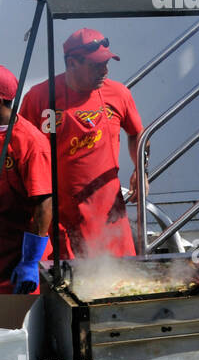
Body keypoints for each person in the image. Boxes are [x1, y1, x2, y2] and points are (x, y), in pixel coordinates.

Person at [19, 29, 143, 258]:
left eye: (106, 63)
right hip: (62, 211)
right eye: (96, 65)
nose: (104, 71)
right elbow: (21, 148)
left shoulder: (119, 93)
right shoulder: (39, 97)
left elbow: (136, 134)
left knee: (123, 280)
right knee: (71, 283)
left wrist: (140, 169)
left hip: (109, 211)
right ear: (72, 63)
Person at [0, 66, 52, 293]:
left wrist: (30, 261)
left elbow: (43, 205)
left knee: (11, 326)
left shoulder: (30, 142)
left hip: (17, 262)